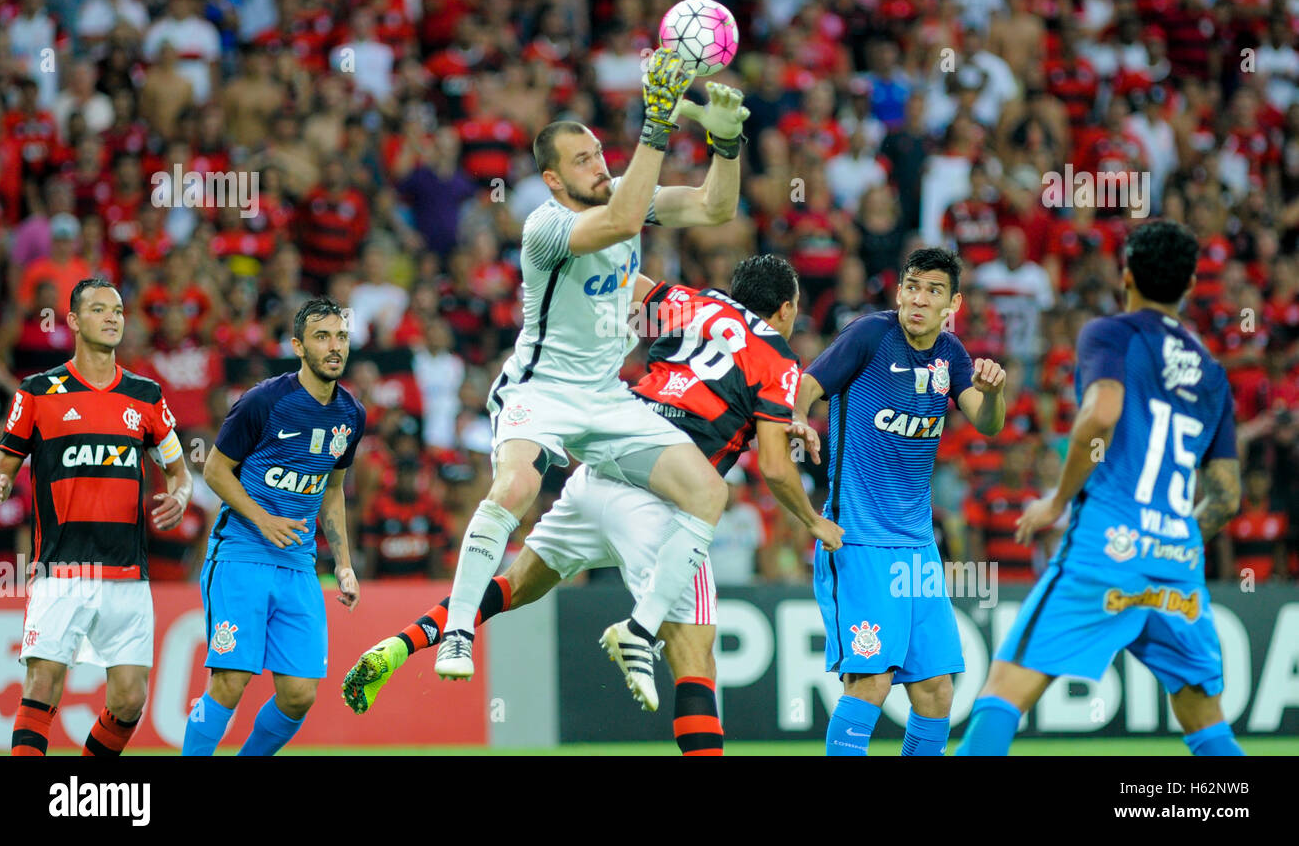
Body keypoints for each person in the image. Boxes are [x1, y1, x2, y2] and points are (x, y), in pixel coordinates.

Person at [343, 255, 843, 753]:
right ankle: (638, 632)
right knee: (696, 661)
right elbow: (776, 468)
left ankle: (403, 642)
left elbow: (625, 283)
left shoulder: (696, 303)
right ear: (786, 309)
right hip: (666, 502)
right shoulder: (778, 357)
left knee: (517, 585)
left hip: (602, 471)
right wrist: (812, 520)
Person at [434, 48, 752, 711]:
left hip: (605, 398)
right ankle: (457, 628)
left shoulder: (624, 197)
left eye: (600, 153)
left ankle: (639, 630)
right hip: (539, 389)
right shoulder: (546, 226)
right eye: (583, 160)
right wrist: (657, 128)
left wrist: (727, 142)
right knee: (519, 483)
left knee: (706, 492)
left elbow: (715, 208)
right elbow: (621, 221)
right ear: (552, 179)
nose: (600, 164)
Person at [957, 221, 1245, 756]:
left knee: (1005, 689)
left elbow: (1101, 414)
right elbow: (1227, 497)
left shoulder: (1111, 334)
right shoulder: (1211, 373)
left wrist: (1058, 502)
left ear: (1127, 274)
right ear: (1188, 287)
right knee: (1206, 724)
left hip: (1105, 548)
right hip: (1176, 561)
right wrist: (1172, 538)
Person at [794, 246, 1008, 756]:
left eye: (934, 290)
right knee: (870, 682)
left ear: (951, 303)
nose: (919, 299)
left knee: (936, 692)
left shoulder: (952, 355)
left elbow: (988, 422)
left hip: (918, 550)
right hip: (859, 539)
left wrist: (993, 392)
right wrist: (799, 419)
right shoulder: (869, 335)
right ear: (899, 292)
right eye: (912, 286)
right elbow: (805, 385)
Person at [0, 277, 191, 756]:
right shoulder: (38, 393)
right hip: (62, 569)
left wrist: (181, 495)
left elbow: (178, 470)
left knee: (129, 700)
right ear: (74, 321)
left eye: (119, 310)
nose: (112, 317)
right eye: (100, 309)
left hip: (126, 572)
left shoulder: (145, 395)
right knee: (42, 685)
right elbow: (5, 467)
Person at [181, 298, 366, 756]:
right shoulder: (264, 401)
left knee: (300, 694)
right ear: (298, 346)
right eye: (322, 337)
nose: (334, 346)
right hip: (241, 554)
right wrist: (264, 520)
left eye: (341, 336)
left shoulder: (351, 414)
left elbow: (334, 489)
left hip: (299, 564)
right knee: (231, 680)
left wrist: (343, 563)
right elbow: (216, 471)